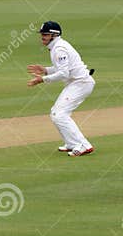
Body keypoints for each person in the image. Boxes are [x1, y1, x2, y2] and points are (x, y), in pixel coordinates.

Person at [27, 21, 95, 157]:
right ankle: (71, 143)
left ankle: (83, 145)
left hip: (80, 83)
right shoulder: (57, 47)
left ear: (54, 35)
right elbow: (64, 68)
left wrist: (42, 79)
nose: (42, 37)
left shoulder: (59, 49)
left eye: (45, 34)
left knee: (59, 114)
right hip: (76, 83)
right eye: (42, 34)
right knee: (56, 113)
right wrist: (46, 70)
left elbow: (64, 74)